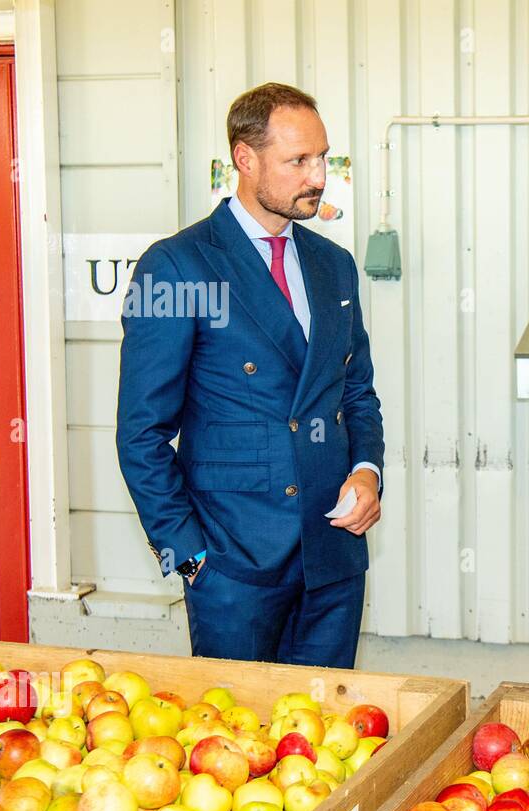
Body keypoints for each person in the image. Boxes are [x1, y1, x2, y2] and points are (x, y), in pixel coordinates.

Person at [116, 83, 384, 668]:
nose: (318, 176)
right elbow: (141, 434)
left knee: (328, 747)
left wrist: (368, 472)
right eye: (298, 162)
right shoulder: (178, 265)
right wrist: (188, 557)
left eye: (322, 158)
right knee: (235, 747)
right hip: (232, 568)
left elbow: (357, 391)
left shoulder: (333, 264)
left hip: (333, 559)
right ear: (245, 158)